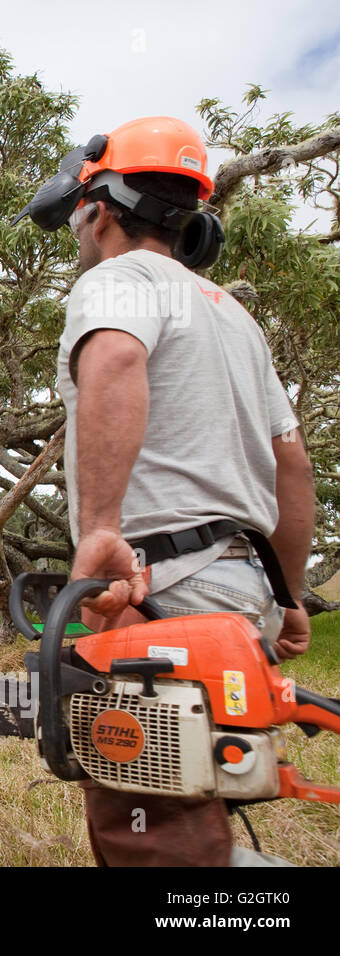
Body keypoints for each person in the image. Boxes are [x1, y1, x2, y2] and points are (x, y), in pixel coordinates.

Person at [48, 117, 316, 866]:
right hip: (238, 590)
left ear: (99, 207)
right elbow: (291, 466)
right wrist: (286, 595)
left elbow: (116, 361)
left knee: (157, 837)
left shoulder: (117, 281)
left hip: (162, 587)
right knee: (191, 806)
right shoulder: (234, 316)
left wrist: (100, 527)